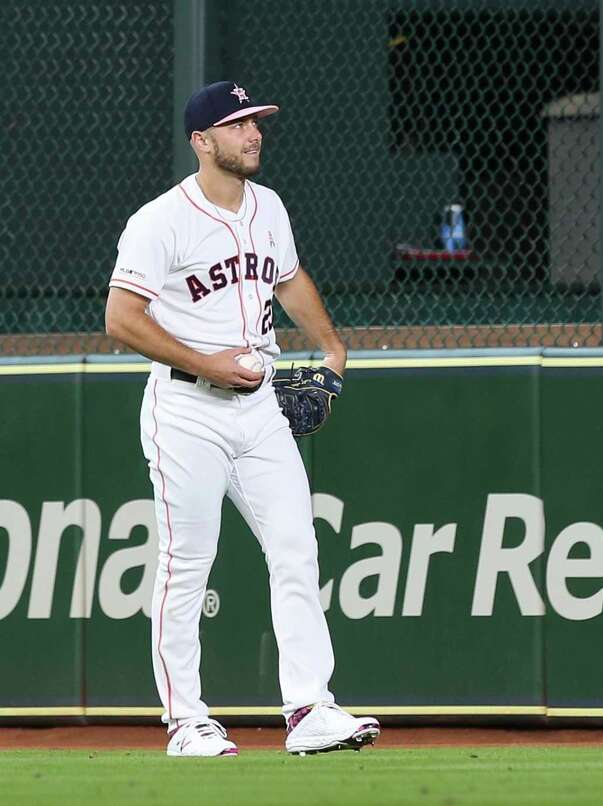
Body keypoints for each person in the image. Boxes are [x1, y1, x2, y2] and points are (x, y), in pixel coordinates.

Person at [105, 80, 380, 757]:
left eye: (255, 122)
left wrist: (332, 343)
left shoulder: (270, 207)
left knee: (295, 548)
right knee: (186, 564)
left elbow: (286, 279)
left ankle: (310, 709)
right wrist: (207, 363)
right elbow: (120, 319)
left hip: (258, 406)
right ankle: (187, 721)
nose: (253, 134)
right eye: (236, 125)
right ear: (202, 141)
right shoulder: (160, 221)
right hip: (186, 408)